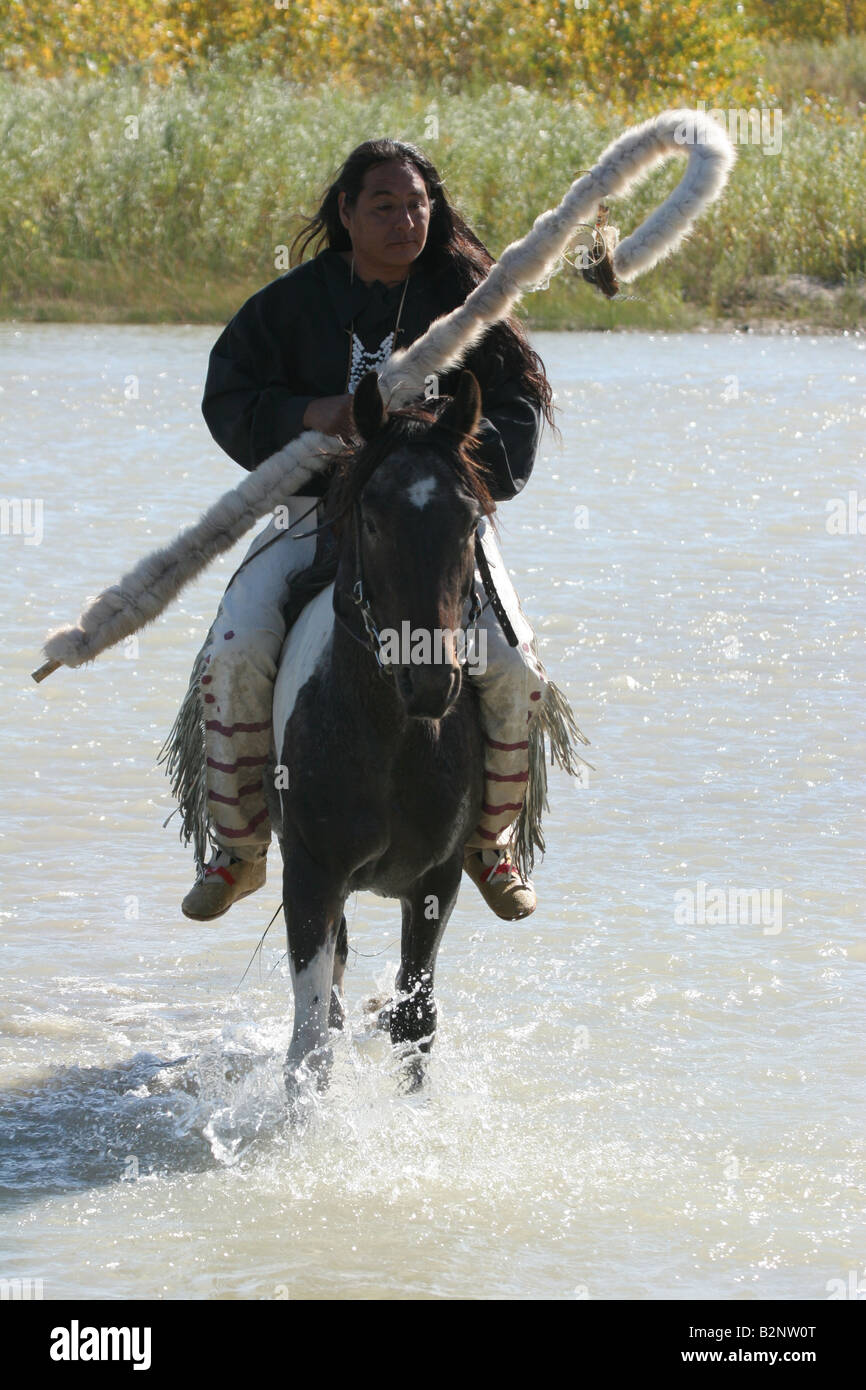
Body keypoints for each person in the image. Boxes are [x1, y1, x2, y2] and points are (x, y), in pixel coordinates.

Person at [179, 137, 556, 924]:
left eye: (417, 204)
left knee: (515, 664)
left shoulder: (472, 307)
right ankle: (240, 848)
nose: (404, 220)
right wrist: (308, 415)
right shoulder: (288, 306)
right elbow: (229, 393)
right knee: (237, 647)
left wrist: (436, 456)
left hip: (432, 525)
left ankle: (489, 845)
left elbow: (517, 410)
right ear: (346, 213)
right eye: (383, 205)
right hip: (314, 511)